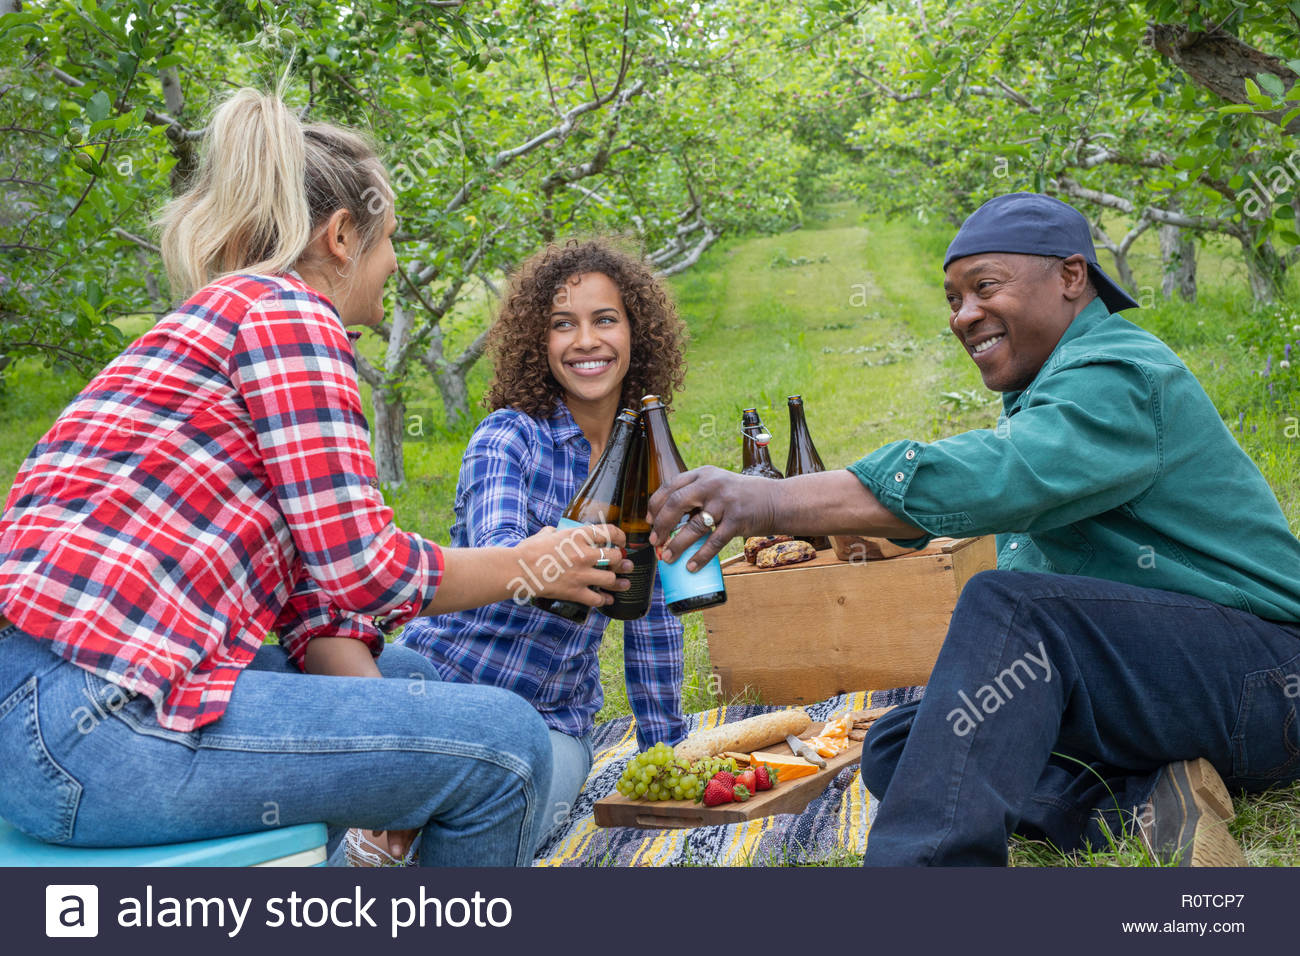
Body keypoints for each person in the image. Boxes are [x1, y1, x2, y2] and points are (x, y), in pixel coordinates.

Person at [0, 89, 628, 867]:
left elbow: (316, 611)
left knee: (413, 678)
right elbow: (368, 571)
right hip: (94, 727)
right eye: (389, 239)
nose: (396, 262)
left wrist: (402, 768)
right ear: (340, 237)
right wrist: (539, 562)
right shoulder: (289, 315)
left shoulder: (218, 317)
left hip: (44, 709)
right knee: (505, 746)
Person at [646, 192, 1300, 866]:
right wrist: (887, 527)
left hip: (1267, 681)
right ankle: (1142, 806)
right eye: (953, 300)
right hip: (1165, 678)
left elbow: (1004, 475)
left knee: (1006, 608)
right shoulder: (1055, 386)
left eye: (985, 288)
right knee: (908, 744)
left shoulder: (1120, 377)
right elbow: (1023, 510)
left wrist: (770, 500)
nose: (964, 317)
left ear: (1072, 277)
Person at [395, 239, 690, 855]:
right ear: (539, 342)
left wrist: (665, 753)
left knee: (510, 828)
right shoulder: (509, 438)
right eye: (564, 324)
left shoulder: (646, 467)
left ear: (638, 333)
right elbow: (498, 549)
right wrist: (561, 555)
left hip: (549, 720)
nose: (586, 340)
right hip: (443, 688)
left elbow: (654, 621)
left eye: (605, 319)